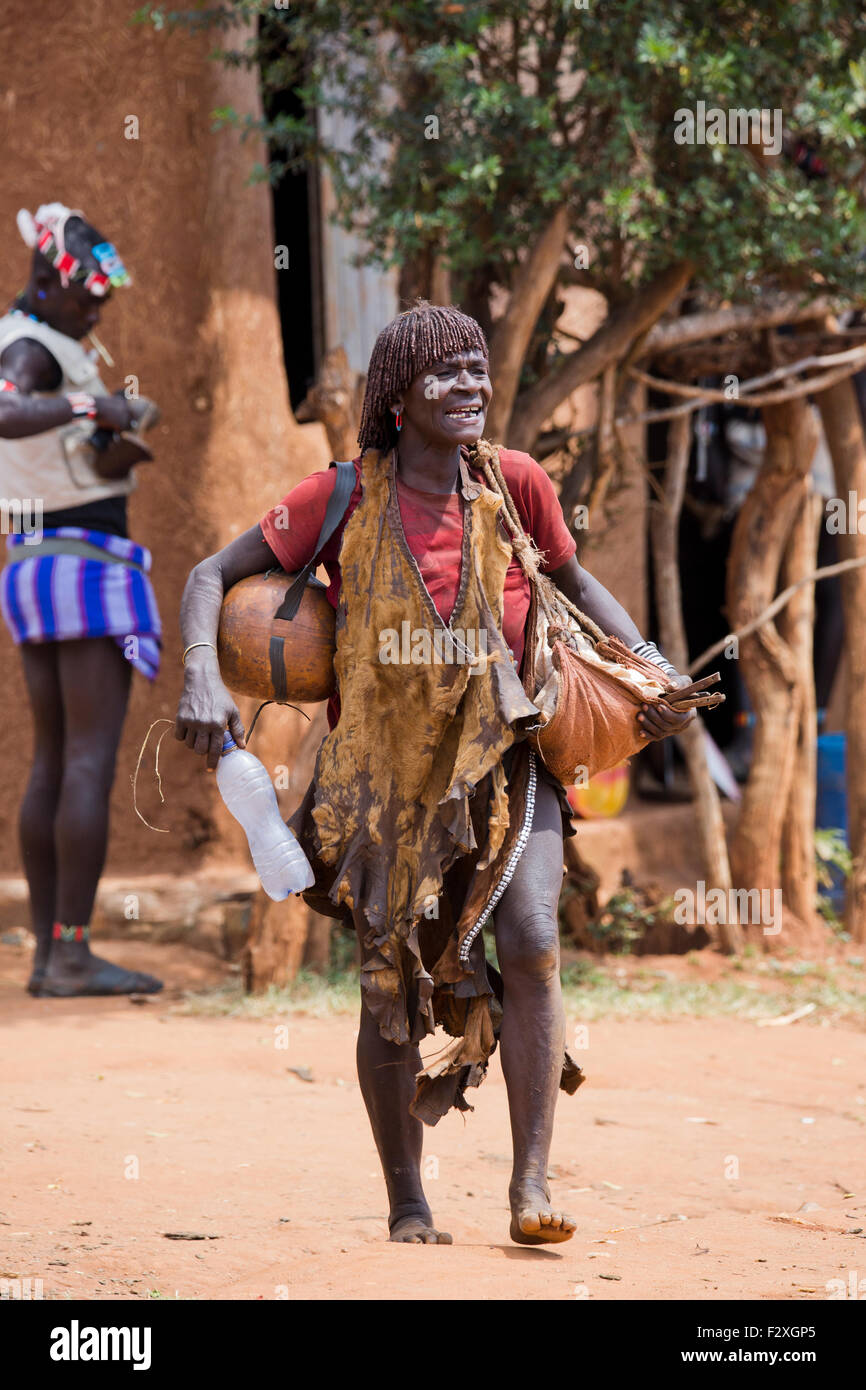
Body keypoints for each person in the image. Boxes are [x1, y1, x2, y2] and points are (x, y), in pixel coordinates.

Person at [175, 302, 692, 1244]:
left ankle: (530, 1187)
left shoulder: (516, 484)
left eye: (479, 370)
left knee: (532, 941)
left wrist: (649, 664)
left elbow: (573, 584)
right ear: (399, 394)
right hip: (382, 779)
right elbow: (209, 574)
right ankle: (408, 1200)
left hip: (510, 758)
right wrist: (203, 676)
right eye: (446, 373)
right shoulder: (340, 497)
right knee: (392, 983)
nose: (471, 388)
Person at [0, 203, 163, 998]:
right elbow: (1, 411)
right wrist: (94, 407)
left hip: (32, 562)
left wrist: (112, 446)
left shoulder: (48, 340)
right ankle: (69, 951)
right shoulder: (29, 346)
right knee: (88, 762)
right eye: (89, 296)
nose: (98, 310)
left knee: (56, 759)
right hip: (85, 566)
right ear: (48, 281)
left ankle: (45, 955)